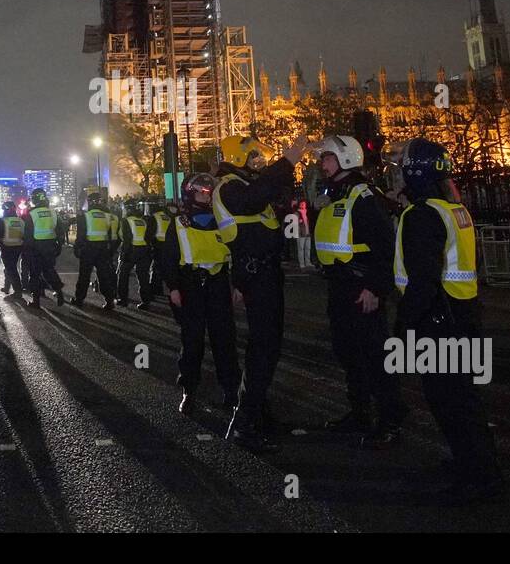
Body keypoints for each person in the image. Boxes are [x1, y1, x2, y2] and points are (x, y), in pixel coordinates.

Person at [393, 138, 503, 503]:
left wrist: (404, 327)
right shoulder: (455, 210)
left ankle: (479, 479)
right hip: (464, 313)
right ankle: (473, 465)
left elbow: (423, 280)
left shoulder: (421, 215)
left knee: (449, 402)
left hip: (438, 321)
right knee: (465, 400)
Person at [216, 133, 310, 448]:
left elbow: (267, 211)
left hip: (263, 273)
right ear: (237, 157)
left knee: (267, 348)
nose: (258, 161)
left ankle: (259, 415)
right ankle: (245, 424)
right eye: (253, 155)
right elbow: (255, 200)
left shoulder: (243, 185)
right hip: (256, 274)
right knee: (262, 349)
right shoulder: (229, 187)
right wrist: (287, 163)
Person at [311, 134, 405, 444]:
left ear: (346, 159)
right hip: (340, 286)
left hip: (361, 287)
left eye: (327, 158)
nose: (321, 163)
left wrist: (375, 288)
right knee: (349, 354)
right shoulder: (336, 193)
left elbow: (384, 246)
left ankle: (390, 421)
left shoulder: (363, 196)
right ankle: (361, 413)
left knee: (375, 356)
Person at [159, 173, 240, 414]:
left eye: (209, 193)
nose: (205, 197)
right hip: (190, 284)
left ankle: (231, 390)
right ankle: (189, 390)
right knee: (192, 341)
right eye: (201, 193)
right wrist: (173, 287)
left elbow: (234, 255)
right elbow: (168, 258)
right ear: (190, 193)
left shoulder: (223, 220)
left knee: (225, 341)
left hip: (218, 284)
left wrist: (237, 285)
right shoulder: (179, 222)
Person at [72, 191, 117, 309]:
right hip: (103, 249)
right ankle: (109, 301)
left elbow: (81, 235)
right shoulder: (108, 216)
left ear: (90, 202)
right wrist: (111, 250)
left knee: (84, 276)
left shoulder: (84, 216)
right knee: (104, 275)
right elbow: (112, 234)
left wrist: (77, 248)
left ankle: (79, 299)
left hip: (88, 249)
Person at [23, 188, 66, 306]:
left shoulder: (31, 214)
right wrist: (58, 245)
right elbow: (60, 230)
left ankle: (36, 301)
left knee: (35, 274)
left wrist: (26, 251)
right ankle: (59, 291)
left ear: (34, 199)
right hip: (50, 246)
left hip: (36, 247)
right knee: (49, 271)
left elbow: (28, 235)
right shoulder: (53, 212)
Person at [119, 200, 153, 309]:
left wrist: (124, 253)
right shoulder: (142, 221)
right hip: (143, 250)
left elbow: (127, 239)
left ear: (127, 209)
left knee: (123, 275)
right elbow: (147, 237)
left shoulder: (126, 221)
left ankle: (123, 300)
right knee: (143, 276)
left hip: (131, 250)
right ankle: (146, 301)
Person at [0, 200, 27, 303]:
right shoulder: (20, 221)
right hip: (18, 247)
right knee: (11, 267)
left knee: (11, 269)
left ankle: (17, 290)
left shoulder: (2, 220)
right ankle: (7, 286)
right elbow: (24, 235)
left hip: (7, 247)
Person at [147, 201, 175, 301]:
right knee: (168, 266)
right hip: (170, 245)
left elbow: (150, 233)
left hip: (158, 245)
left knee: (156, 268)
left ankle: (156, 288)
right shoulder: (169, 216)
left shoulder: (155, 216)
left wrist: (150, 244)